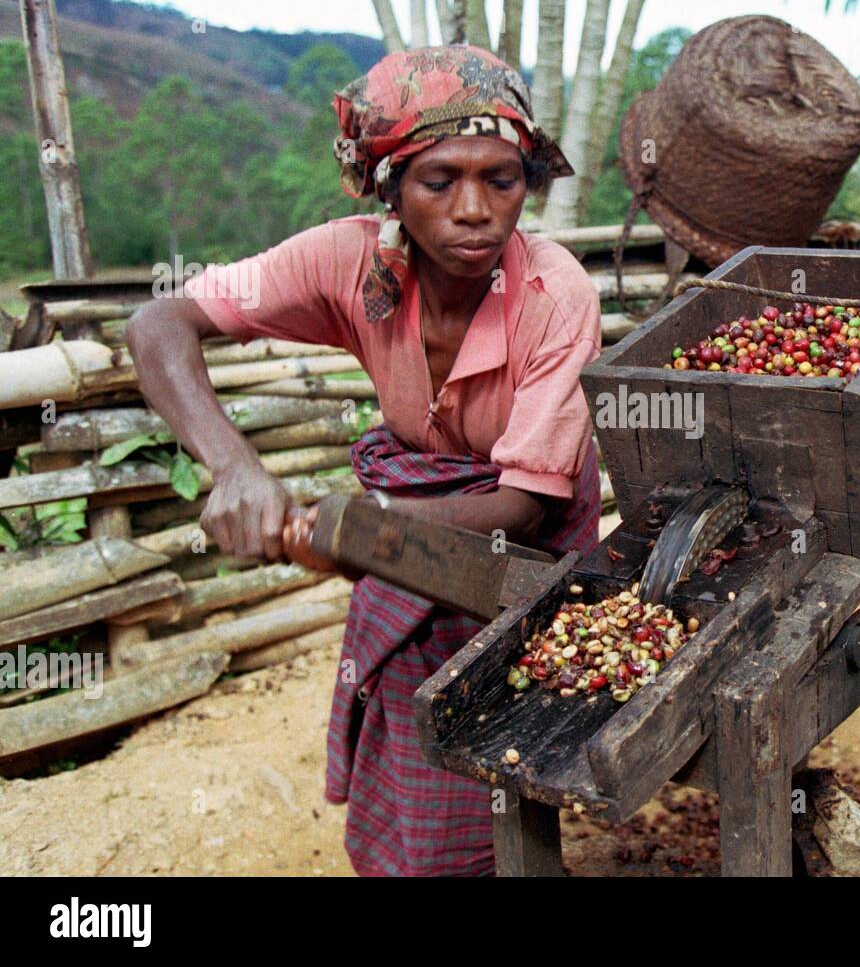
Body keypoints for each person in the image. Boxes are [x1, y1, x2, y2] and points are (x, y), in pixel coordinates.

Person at [126, 45, 602, 876]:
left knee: (507, 735)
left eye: (502, 178)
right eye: (439, 180)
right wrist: (235, 468)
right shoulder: (345, 263)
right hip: (408, 524)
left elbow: (523, 509)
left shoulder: (553, 294)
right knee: (414, 739)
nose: (475, 210)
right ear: (390, 186)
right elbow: (159, 324)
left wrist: (356, 533)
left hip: (521, 542)